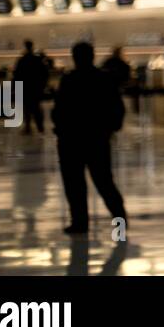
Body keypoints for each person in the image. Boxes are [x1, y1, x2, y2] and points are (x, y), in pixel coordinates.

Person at [51, 42, 127, 236]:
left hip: (71, 140)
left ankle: (80, 222)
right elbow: (117, 107)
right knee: (105, 183)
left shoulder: (69, 80)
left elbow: (59, 110)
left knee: (74, 185)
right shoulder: (104, 79)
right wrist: (110, 129)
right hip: (97, 139)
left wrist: (59, 130)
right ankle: (120, 224)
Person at [13, 40, 46, 134]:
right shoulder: (38, 59)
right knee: (36, 108)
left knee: (27, 109)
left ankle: (28, 128)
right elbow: (44, 74)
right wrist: (42, 85)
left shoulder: (22, 60)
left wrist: (15, 88)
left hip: (25, 88)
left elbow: (17, 75)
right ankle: (40, 127)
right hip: (36, 88)